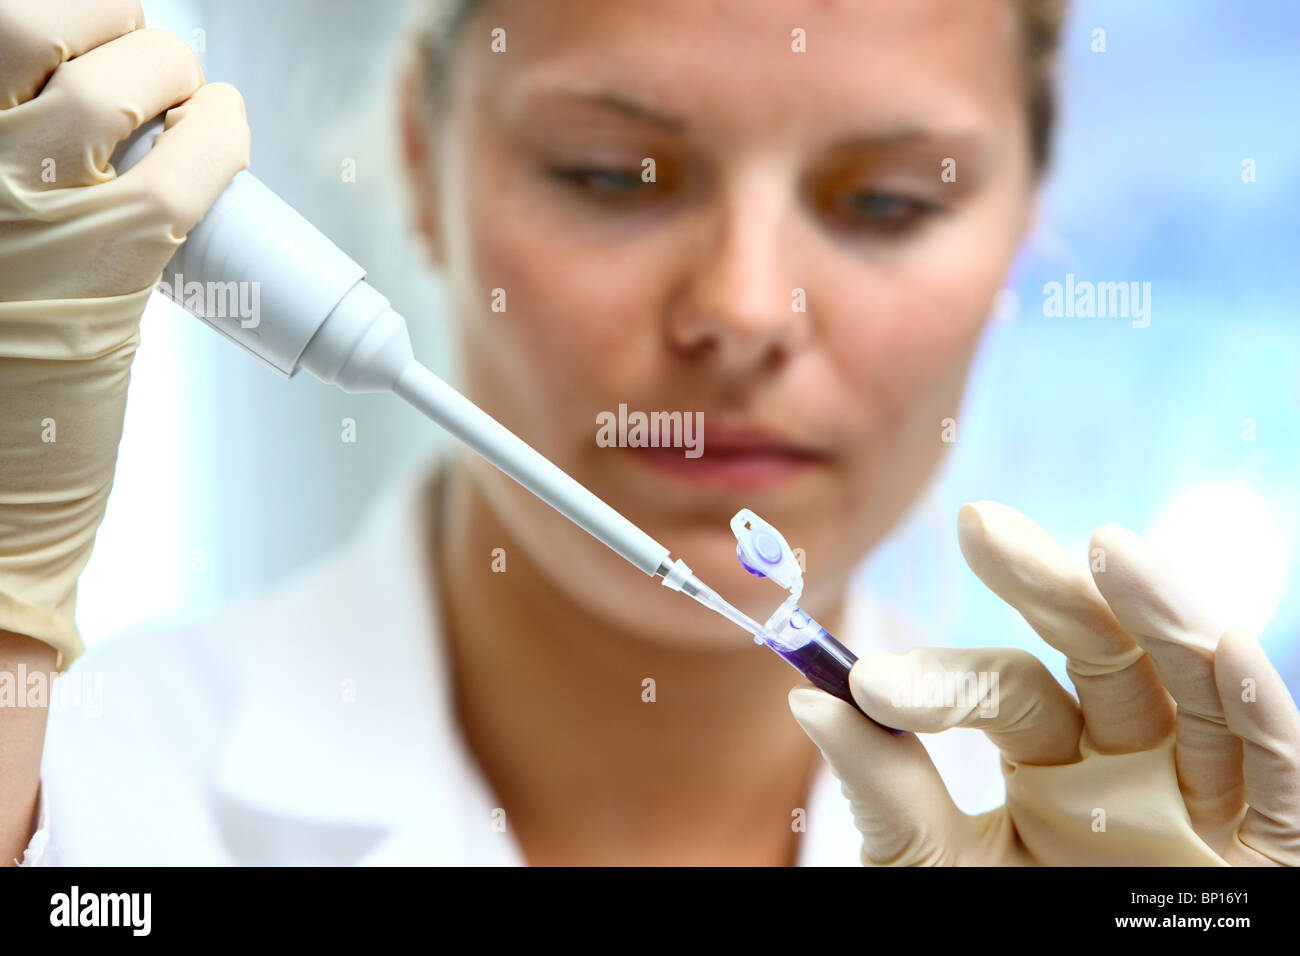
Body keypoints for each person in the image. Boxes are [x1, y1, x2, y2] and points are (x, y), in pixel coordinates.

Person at [1, 0, 1296, 866]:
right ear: (418, 160)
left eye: (888, 203)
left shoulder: (1129, 837)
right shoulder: (79, 797)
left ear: (1026, 222)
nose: (740, 311)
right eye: (611, 176)